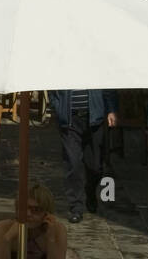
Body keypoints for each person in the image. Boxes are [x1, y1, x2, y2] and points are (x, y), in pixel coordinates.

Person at [49, 89, 119, 223]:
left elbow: (108, 86)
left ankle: (90, 191)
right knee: (73, 163)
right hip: (69, 120)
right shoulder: (62, 67)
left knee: (95, 166)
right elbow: (52, 87)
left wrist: (111, 109)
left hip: (94, 118)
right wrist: (57, 107)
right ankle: (76, 207)